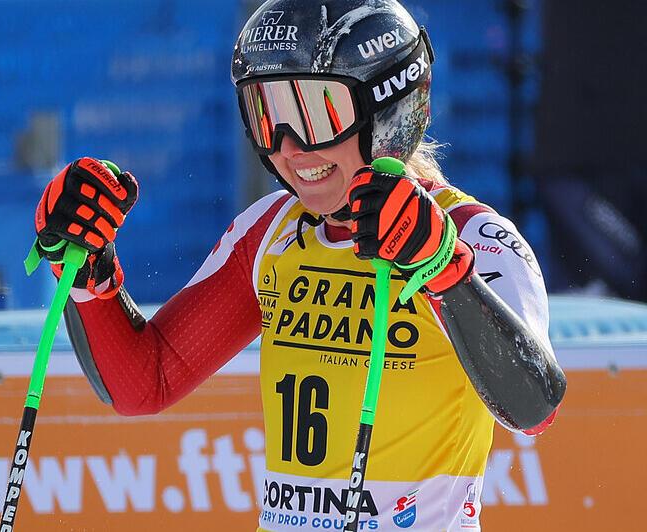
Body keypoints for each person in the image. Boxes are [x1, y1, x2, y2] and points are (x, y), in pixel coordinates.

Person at [32, 1, 566, 530]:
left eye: (316, 111)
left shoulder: (475, 235)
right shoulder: (272, 231)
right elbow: (144, 382)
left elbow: (534, 407)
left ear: (386, 110)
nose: (289, 147)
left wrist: (445, 271)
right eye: (268, 115)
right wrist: (85, 271)